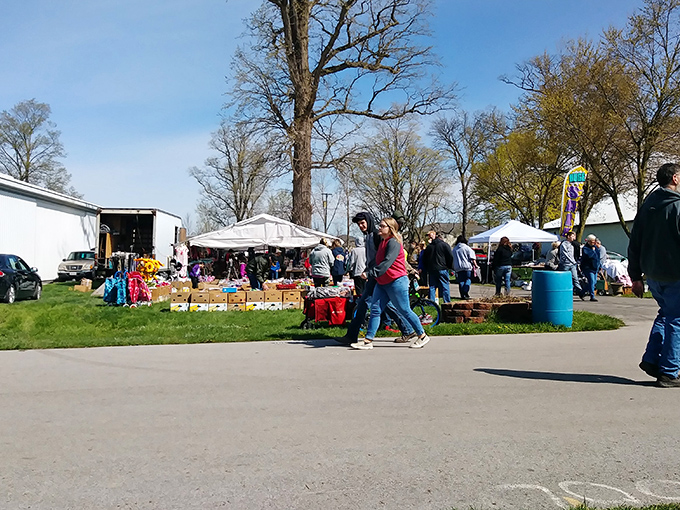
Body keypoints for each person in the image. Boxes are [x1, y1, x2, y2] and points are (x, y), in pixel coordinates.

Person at [628, 162, 680, 388]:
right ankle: (670, 371)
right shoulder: (678, 206)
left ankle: (651, 360)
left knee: (666, 314)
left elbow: (635, 242)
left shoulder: (647, 207)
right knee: (676, 319)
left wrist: (636, 276)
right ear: (675, 179)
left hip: (653, 273)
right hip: (675, 272)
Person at [335, 211, 415, 345]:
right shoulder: (369, 236)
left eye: (362, 223)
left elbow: (388, 257)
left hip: (379, 275)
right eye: (359, 224)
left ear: (369, 221)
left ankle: (353, 336)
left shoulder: (378, 236)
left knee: (364, 304)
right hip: (376, 274)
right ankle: (407, 329)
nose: (361, 226)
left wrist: (371, 272)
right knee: (386, 305)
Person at [350, 217, 430, 350]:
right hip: (383, 282)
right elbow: (377, 262)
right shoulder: (383, 242)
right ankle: (368, 341)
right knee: (375, 310)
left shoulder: (393, 243)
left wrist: (370, 274)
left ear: (390, 229)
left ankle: (422, 336)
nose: (379, 228)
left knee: (404, 310)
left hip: (396, 281)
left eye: (382, 226)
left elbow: (386, 263)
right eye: (380, 226)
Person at [423, 230, 454, 303]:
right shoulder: (444, 245)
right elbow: (450, 256)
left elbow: (424, 259)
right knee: (445, 286)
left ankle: (432, 302)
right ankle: (447, 302)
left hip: (432, 269)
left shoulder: (429, 247)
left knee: (432, 286)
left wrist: (427, 268)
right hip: (442, 268)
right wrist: (449, 266)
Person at [558, 231, 586, 300]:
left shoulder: (572, 244)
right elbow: (565, 254)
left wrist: (575, 261)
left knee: (575, 278)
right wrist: (572, 260)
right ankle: (562, 292)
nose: (574, 237)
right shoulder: (564, 244)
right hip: (565, 264)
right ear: (568, 236)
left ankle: (580, 292)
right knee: (564, 278)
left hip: (573, 264)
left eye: (575, 236)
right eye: (573, 236)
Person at [452, 235, 478, 299]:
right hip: (467, 267)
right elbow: (472, 258)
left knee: (461, 281)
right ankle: (465, 291)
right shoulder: (467, 248)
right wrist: (476, 265)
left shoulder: (455, 249)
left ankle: (462, 295)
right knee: (468, 279)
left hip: (458, 267)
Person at [580, 234, 601, 302]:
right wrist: (593, 251)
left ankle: (582, 292)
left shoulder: (595, 248)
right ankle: (592, 296)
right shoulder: (585, 248)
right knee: (591, 281)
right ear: (588, 241)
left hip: (595, 268)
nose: (593, 243)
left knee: (593, 282)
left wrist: (599, 266)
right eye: (592, 241)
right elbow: (589, 256)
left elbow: (597, 257)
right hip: (588, 268)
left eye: (594, 241)